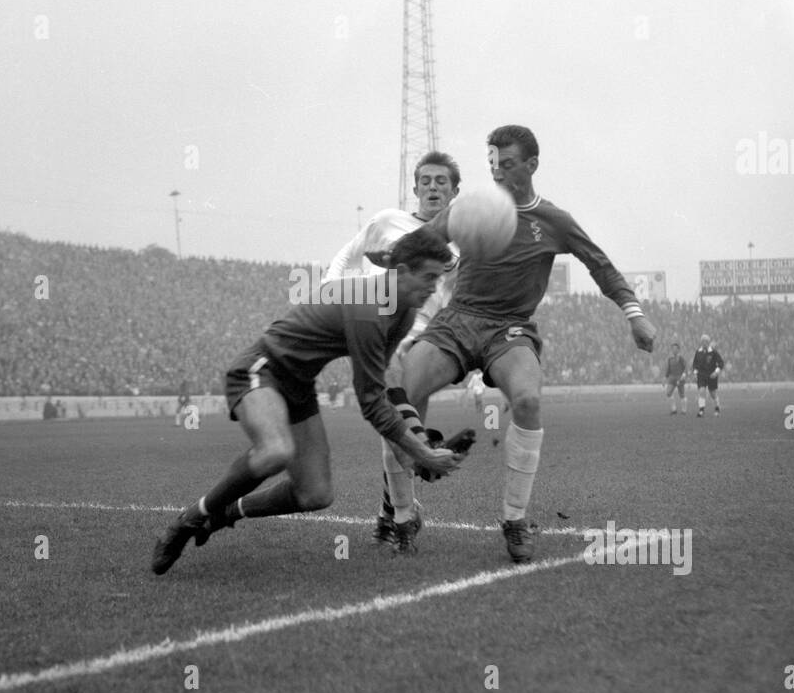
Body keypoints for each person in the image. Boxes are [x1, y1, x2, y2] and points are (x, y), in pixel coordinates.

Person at [375, 125, 656, 562]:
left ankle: (514, 519)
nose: (499, 173)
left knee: (527, 399)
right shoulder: (472, 208)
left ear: (531, 165)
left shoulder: (554, 221)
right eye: (493, 165)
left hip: (510, 328)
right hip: (457, 320)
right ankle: (405, 516)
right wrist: (392, 256)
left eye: (507, 165)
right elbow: (425, 239)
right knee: (399, 396)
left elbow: (599, 264)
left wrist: (634, 315)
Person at [151, 229, 463, 575]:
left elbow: (387, 383)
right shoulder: (366, 306)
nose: (435, 288)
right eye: (429, 278)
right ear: (401, 272)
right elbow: (371, 403)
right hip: (261, 370)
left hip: (297, 387)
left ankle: (225, 512)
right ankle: (191, 519)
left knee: (315, 494)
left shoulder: (401, 312)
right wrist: (422, 454)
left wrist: (420, 442)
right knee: (275, 451)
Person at [326, 152, 463, 546]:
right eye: (426, 180)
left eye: (442, 181)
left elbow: (458, 297)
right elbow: (347, 253)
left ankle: (394, 509)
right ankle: (403, 516)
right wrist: (330, 288)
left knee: (397, 428)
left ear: (455, 190)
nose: (433, 187)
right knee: (397, 425)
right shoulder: (388, 221)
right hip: (380, 328)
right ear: (416, 187)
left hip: (426, 338)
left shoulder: (464, 242)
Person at [692, 336, 724, 417]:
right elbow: (695, 364)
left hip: (711, 375)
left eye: (706, 341)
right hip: (701, 375)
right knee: (701, 391)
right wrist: (695, 374)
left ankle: (717, 408)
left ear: (708, 342)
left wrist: (716, 372)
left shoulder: (713, 352)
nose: (704, 343)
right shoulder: (698, 352)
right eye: (703, 341)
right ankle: (701, 410)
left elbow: (721, 363)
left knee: (713, 394)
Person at [664, 343, 688, 415]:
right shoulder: (670, 359)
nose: (674, 350)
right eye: (673, 348)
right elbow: (668, 369)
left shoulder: (681, 358)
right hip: (672, 378)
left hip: (679, 378)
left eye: (675, 348)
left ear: (678, 350)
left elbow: (685, 367)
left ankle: (684, 410)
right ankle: (673, 409)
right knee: (668, 393)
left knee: (681, 394)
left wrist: (684, 375)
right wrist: (665, 378)